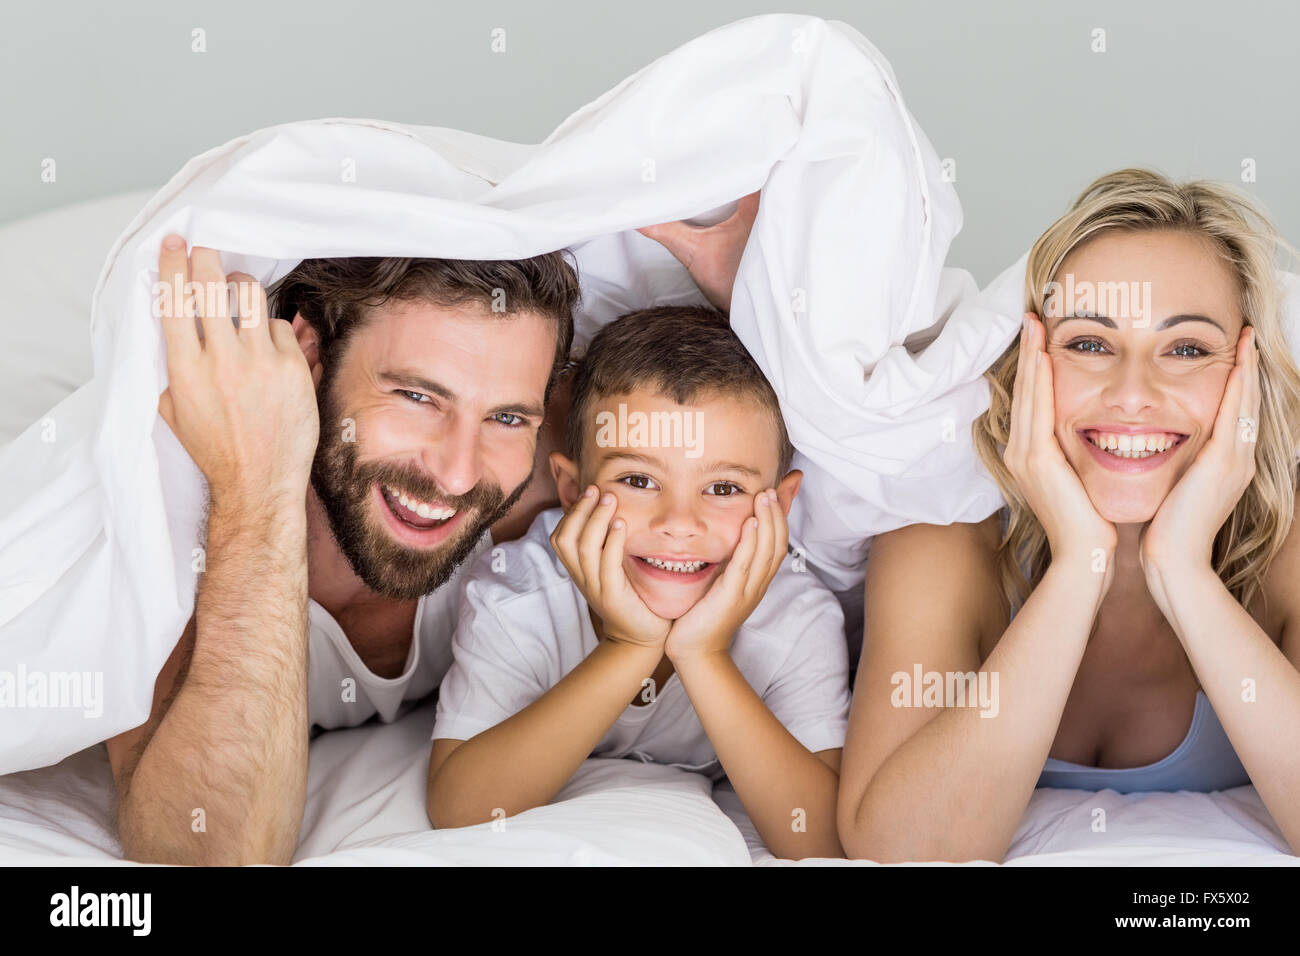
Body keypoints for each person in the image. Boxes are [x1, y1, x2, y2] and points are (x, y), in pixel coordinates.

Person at [836, 169, 1300, 862]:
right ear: (1029, 365)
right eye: (1089, 343)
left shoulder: (1286, 547)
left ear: (1245, 376)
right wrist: (1083, 560)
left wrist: (1183, 571)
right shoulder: (939, 537)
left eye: (1187, 349)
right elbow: (901, 851)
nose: (1133, 392)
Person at [104, 237, 580, 865]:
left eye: (508, 419)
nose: (459, 474)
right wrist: (256, 497)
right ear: (309, 355)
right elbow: (207, 855)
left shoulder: (560, 480)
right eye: (417, 397)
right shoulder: (171, 519)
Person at [425, 305, 850, 860]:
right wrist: (630, 647)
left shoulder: (796, 618)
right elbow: (464, 810)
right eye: (639, 479)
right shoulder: (520, 596)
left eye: (723, 488)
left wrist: (704, 654)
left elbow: (817, 838)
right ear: (574, 491)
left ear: (782, 506)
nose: (679, 522)